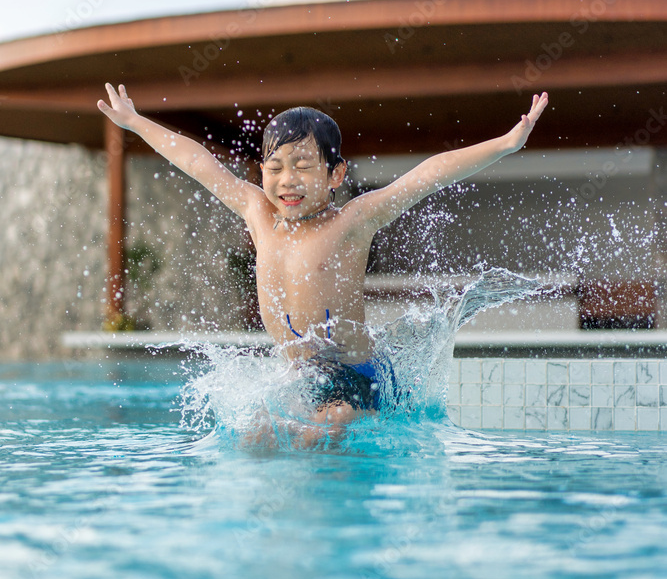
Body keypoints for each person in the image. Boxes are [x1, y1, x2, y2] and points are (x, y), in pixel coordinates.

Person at [98, 84, 548, 430]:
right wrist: (137, 123)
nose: (286, 180)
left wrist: (505, 144)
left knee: (329, 428)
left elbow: (425, 176)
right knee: (255, 429)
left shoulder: (351, 222)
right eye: (274, 168)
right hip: (301, 377)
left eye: (302, 166)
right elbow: (199, 163)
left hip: (360, 375)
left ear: (335, 174)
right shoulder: (260, 215)